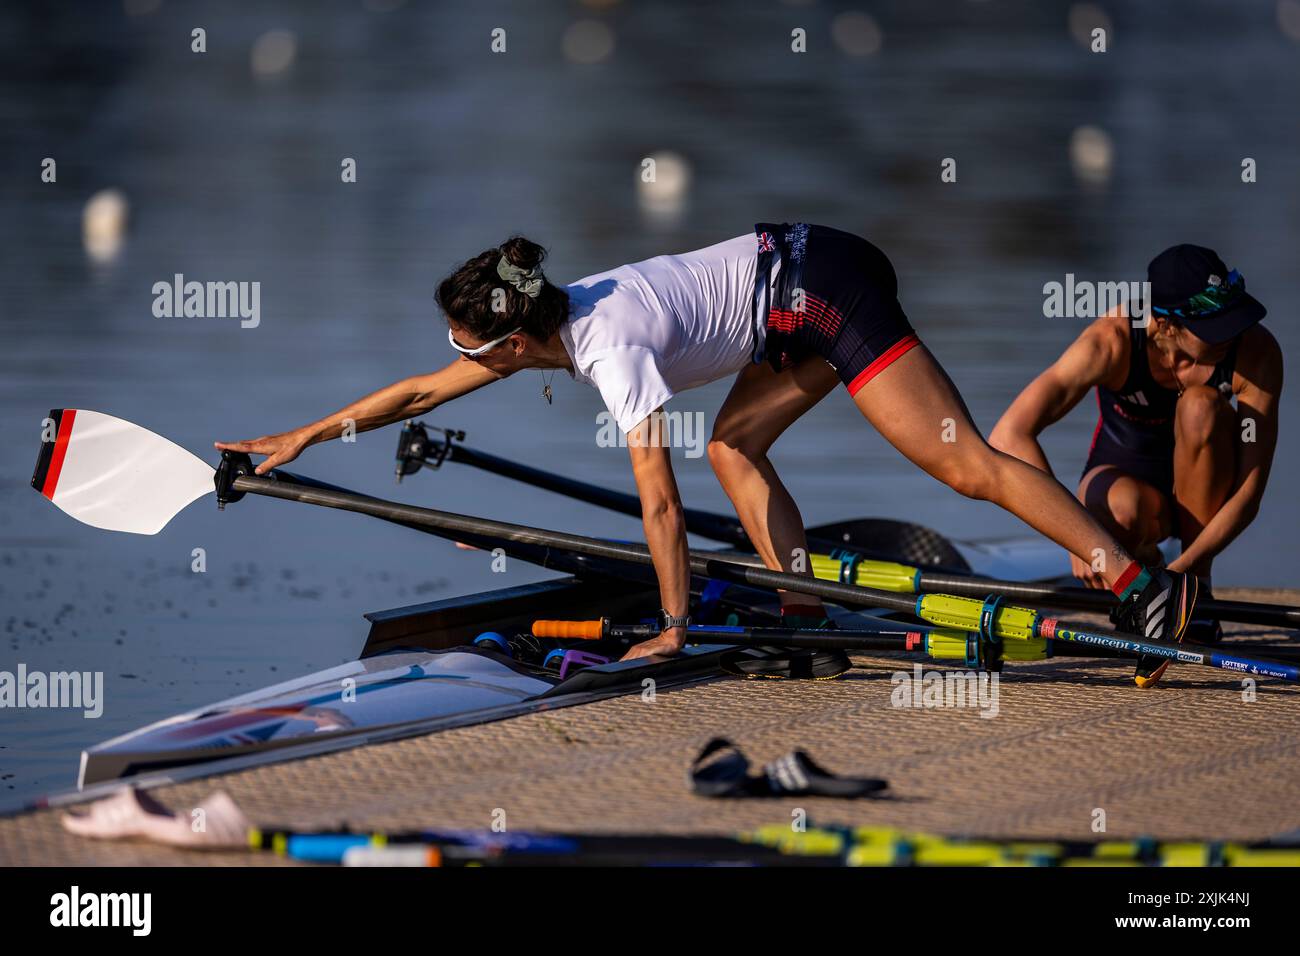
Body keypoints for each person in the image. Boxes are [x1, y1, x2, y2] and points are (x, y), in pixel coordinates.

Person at [217, 224, 1198, 681]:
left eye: (472, 349)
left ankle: (1130, 575)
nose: (460, 364)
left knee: (961, 464)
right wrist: (303, 433)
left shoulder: (611, 346)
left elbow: (657, 502)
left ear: (514, 345)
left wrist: (674, 625)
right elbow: (420, 391)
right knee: (736, 443)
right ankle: (806, 600)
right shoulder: (559, 318)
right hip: (786, 297)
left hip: (827, 289)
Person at [991, 245, 1280, 667]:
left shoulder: (1256, 353)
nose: (1232, 333)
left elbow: (1251, 492)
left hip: (1204, 478)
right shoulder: (1111, 340)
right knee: (1119, 510)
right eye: (1215, 326)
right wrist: (1073, 533)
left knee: (1200, 406)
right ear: (1165, 324)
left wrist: (1180, 575)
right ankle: (1142, 578)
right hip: (1126, 477)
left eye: (1232, 319)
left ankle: (1193, 588)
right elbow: (1010, 434)